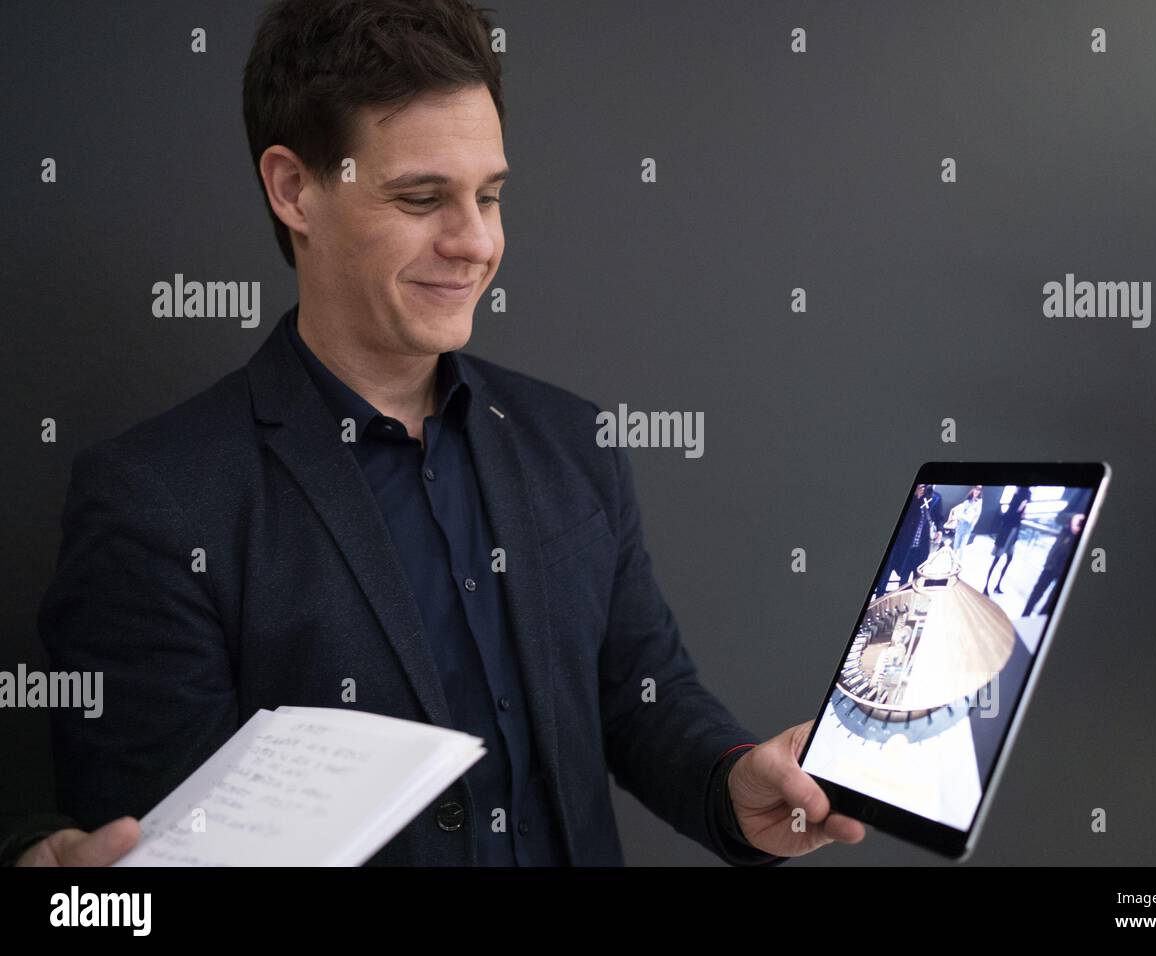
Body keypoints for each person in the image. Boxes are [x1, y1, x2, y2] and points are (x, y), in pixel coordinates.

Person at [17, 0, 866, 868]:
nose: (475, 242)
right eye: (422, 198)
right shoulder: (156, 500)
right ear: (294, 188)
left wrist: (733, 785)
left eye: (490, 196)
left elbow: (639, 701)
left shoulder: (573, 442)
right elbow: (148, 858)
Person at [1021, 513, 1085, 617]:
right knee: (1038, 592)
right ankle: (1024, 619)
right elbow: (1060, 518)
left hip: (1073, 562)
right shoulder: (1081, 497)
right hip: (1057, 556)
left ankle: (1039, 625)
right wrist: (1073, 518)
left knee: (1053, 600)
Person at [984, 486, 1031, 595]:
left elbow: (1015, 515)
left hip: (1011, 532)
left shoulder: (1020, 498)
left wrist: (1021, 510)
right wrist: (1021, 509)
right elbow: (1011, 515)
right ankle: (987, 586)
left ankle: (995, 586)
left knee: (1006, 559)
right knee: (998, 559)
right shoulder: (1018, 498)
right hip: (1007, 532)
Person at [949, 485, 983, 557]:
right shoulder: (967, 501)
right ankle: (953, 562)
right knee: (955, 546)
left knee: (962, 548)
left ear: (980, 492)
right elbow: (960, 513)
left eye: (979, 490)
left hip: (968, 527)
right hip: (960, 525)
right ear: (973, 489)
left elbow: (976, 516)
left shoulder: (979, 502)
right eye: (976, 489)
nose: (977, 491)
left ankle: (958, 565)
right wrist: (961, 517)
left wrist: (972, 524)